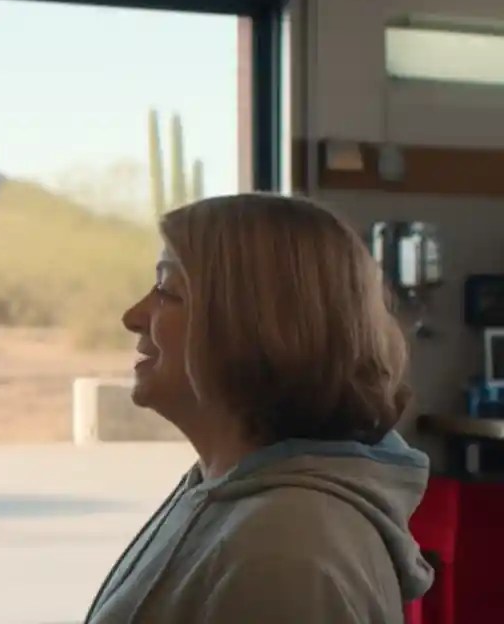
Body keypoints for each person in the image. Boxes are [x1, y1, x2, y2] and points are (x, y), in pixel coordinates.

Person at [84, 193, 435, 623]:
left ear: (257, 327)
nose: (133, 316)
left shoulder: (287, 551)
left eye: (167, 290)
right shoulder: (224, 494)